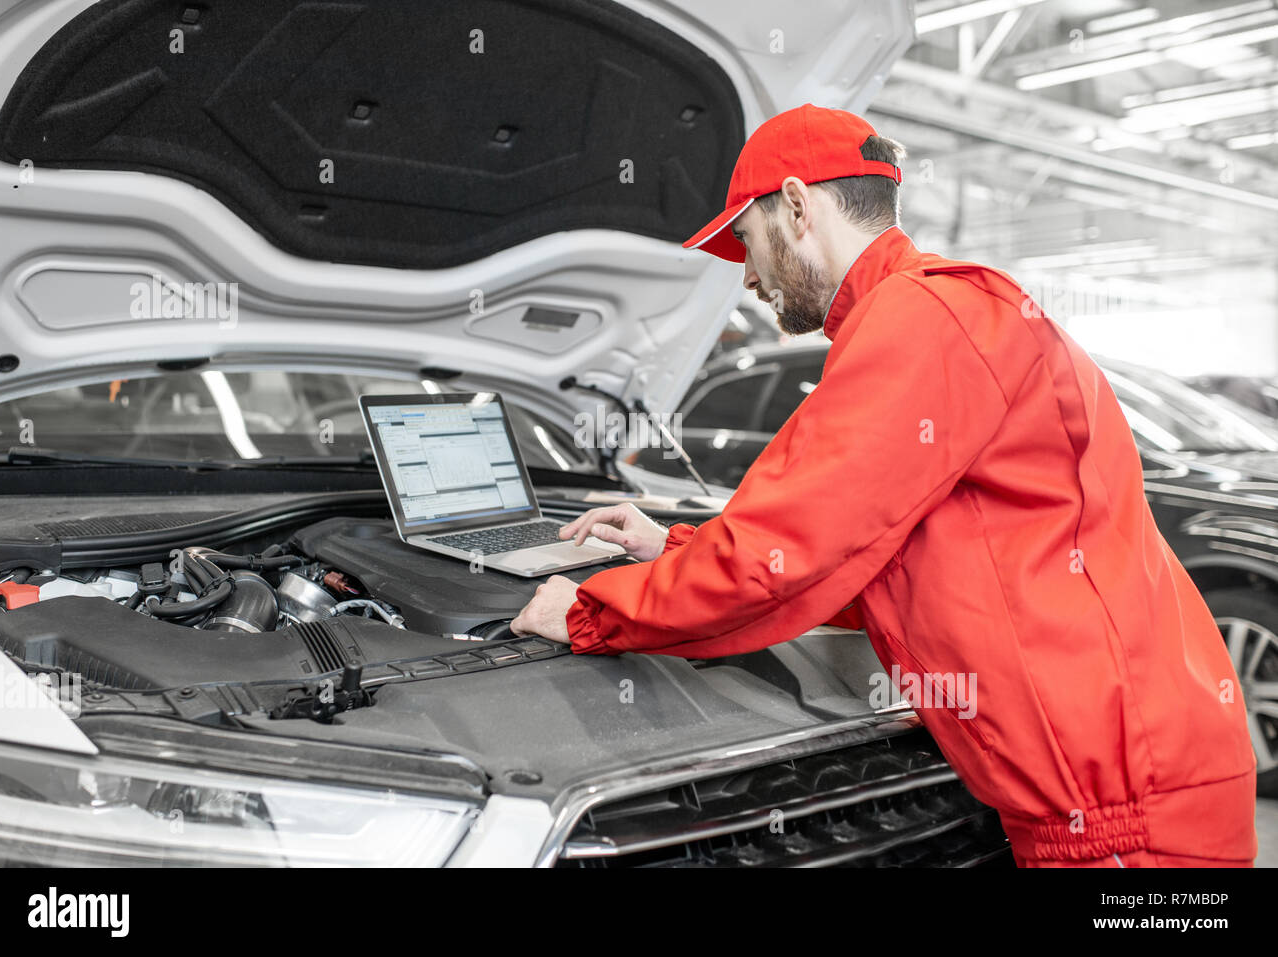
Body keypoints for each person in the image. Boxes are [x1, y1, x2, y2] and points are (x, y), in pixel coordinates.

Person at [511, 103, 1258, 867]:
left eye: (745, 237)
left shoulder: (920, 318)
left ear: (798, 205)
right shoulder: (942, 308)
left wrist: (592, 610)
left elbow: (781, 552)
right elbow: (862, 560)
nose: (748, 274)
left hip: (1126, 815)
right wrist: (671, 544)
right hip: (1130, 779)